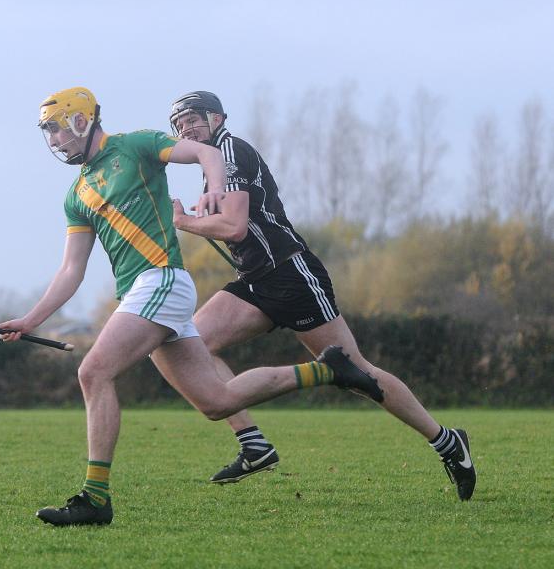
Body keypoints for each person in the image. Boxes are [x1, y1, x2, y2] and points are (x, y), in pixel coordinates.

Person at [0, 87, 384, 527]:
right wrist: (30, 320)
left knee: (93, 372)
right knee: (217, 402)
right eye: (47, 133)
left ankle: (95, 498)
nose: (54, 140)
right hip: (140, 293)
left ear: (82, 121)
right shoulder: (76, 195)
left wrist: (215, 191)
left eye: (58, 129)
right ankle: (329, 370)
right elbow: (71, 272)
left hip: (161, 279)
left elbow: (207, 154)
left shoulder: (137, 146)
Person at [159, 90, 476, 500]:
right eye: (179, 122)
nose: (186, 126)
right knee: (194, 344)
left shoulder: (231, 150)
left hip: (291, 275)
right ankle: (253, 444)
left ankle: (447, 441)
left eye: (194, 117)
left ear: (218, 117)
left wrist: (184, 221)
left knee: (358, 373)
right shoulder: (213, 163)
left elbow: (235, 228)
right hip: (256, 280)